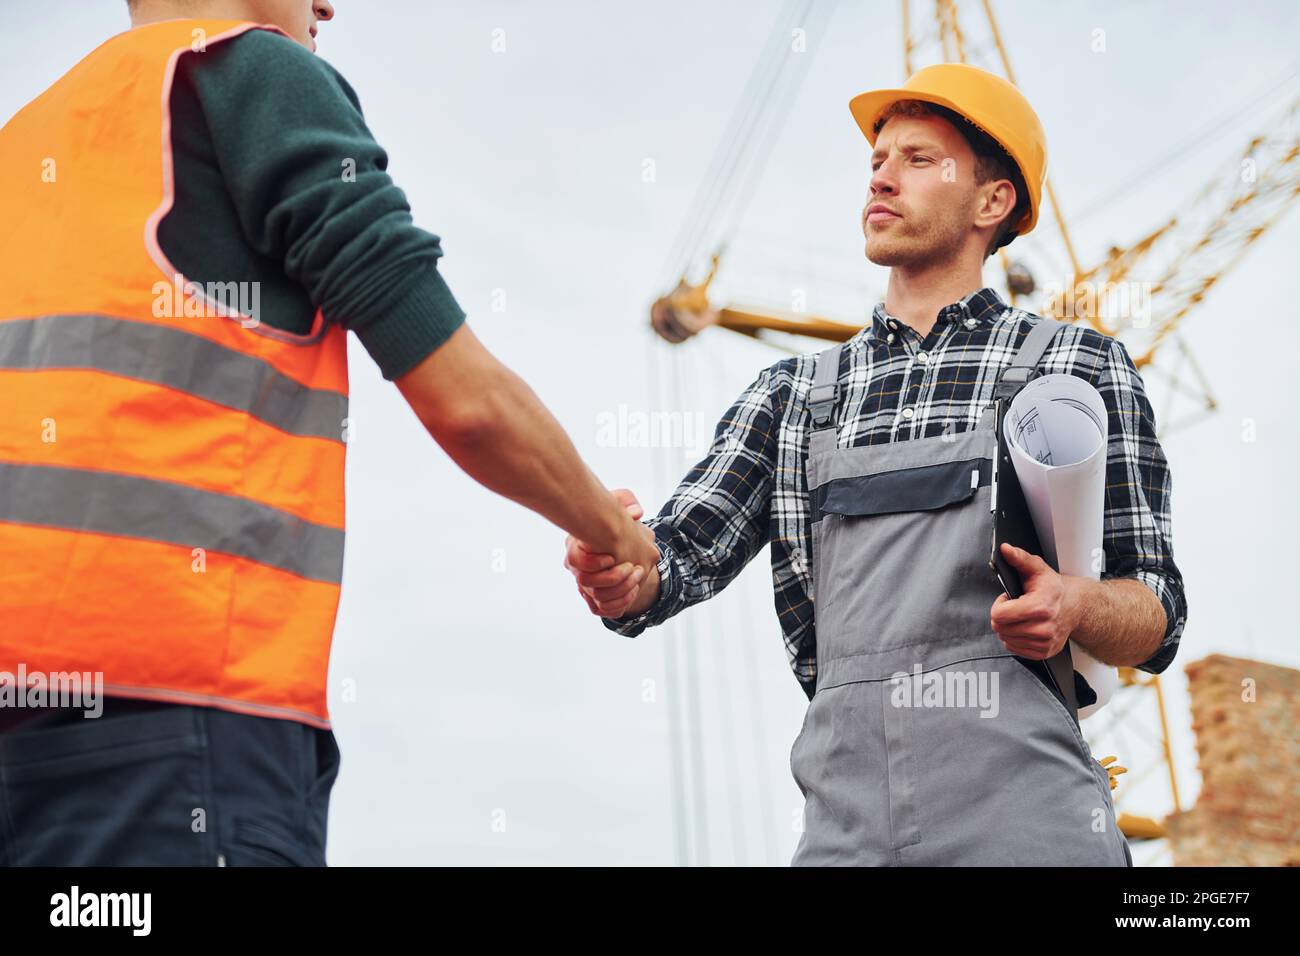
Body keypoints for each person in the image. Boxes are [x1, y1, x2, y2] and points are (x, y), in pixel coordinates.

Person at [0, 0, 657, 865]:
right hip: (184, 721)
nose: (327, 6)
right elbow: (465, 398)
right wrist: (615, 535)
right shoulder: (251, 76)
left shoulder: (29, 139)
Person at [565, 63, 1188, 865]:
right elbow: (676, 560)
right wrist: (620, 566)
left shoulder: (1074, 368)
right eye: (876, 161)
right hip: (845, 829)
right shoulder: (792, 392)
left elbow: (1157, 606)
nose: (882, 176)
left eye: (919, 159)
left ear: (993, 203)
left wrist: (1075, 605)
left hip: (1028, 823)